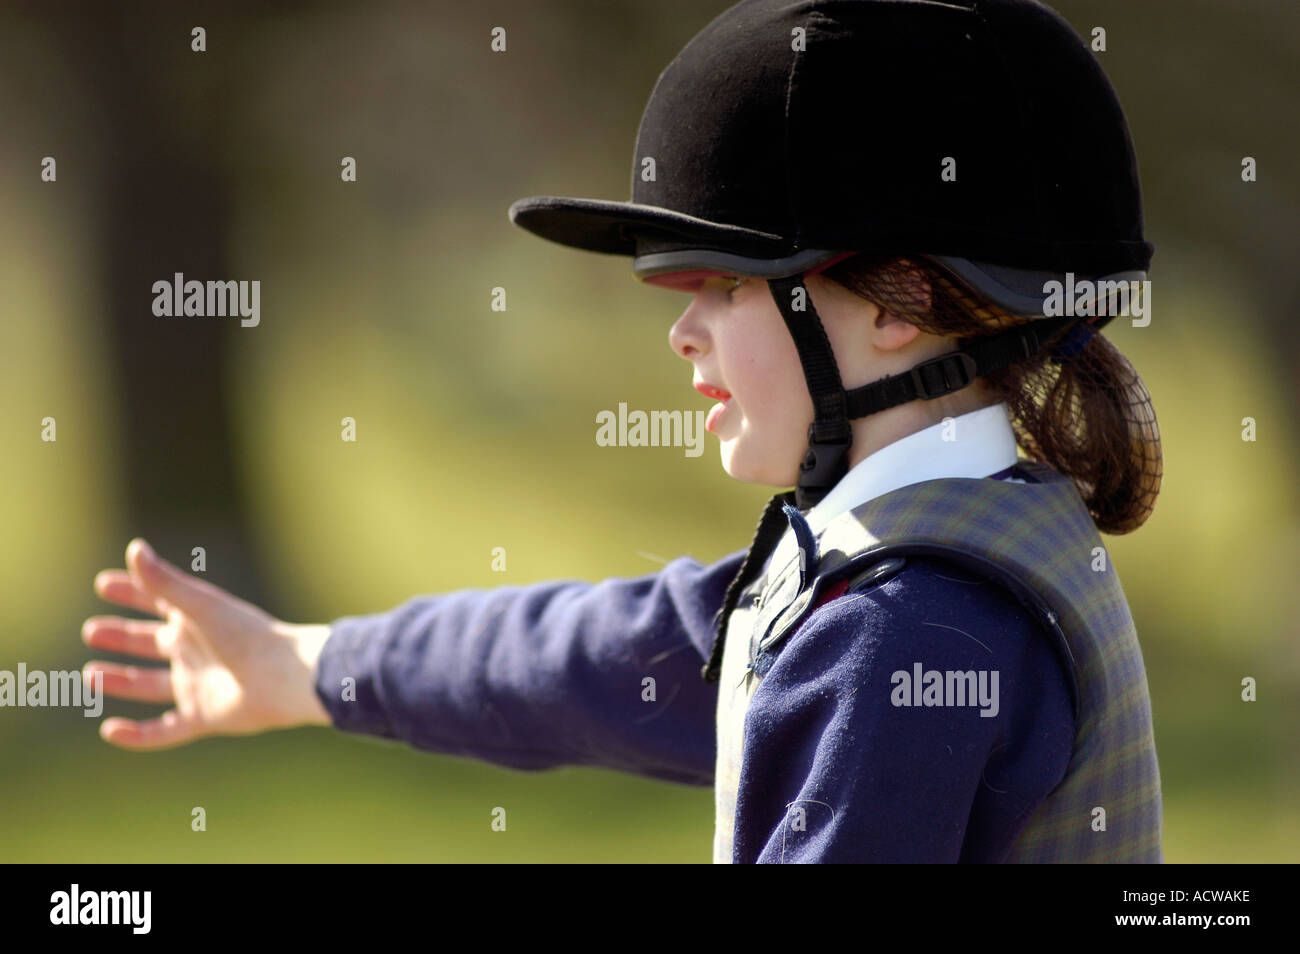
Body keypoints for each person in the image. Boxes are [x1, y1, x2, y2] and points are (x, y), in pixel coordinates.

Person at [80, 0, 1165, 862]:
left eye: (726, 288)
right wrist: (303, 665)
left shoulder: (894, 638)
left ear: (894, 306)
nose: (682, 336)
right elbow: (591, 660)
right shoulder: (937, 551)